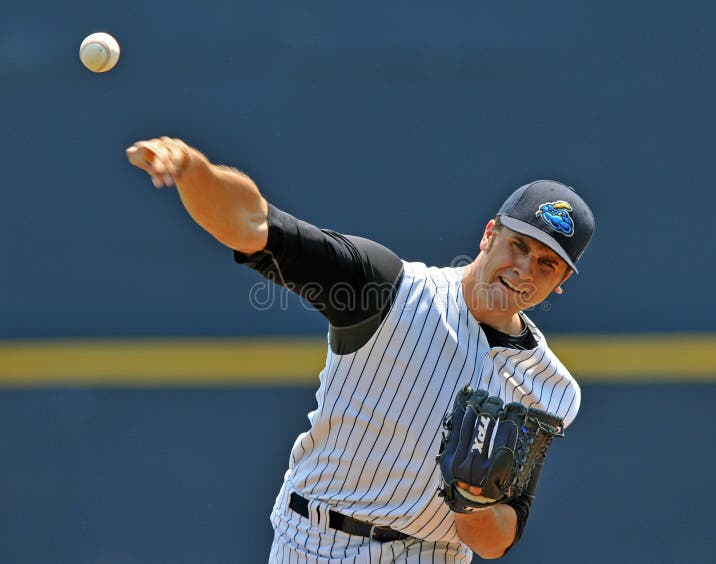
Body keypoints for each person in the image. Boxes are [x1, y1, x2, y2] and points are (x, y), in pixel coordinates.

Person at [126, 136, 595, 562]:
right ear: (489, 234)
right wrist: (194, 170)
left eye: (547, 264)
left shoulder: (549, 388)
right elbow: (254, 223)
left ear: (561, 282)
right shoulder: (388, 289)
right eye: (517, 245)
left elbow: (496, 541)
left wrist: (473, 502)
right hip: (313, 542)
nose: (525, 270)